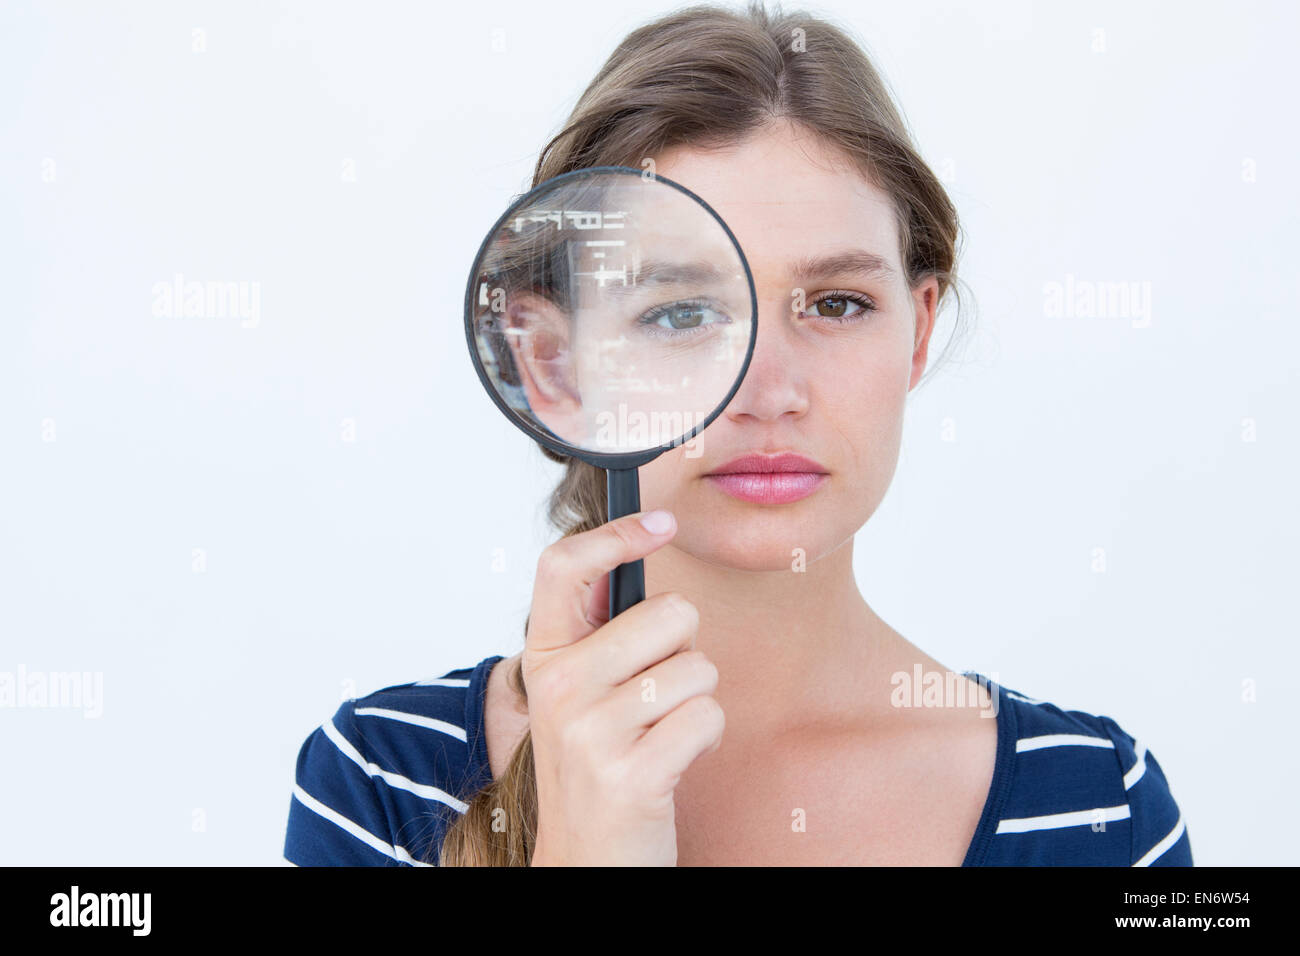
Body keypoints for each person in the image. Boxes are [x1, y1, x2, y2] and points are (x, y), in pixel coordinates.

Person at [283, 0, 1192, 867]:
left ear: (916, 332)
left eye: (837, 303)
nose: (769, 390)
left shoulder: (1102, 805)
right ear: (553, 366)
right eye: (681, 312)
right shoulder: (382, 783)